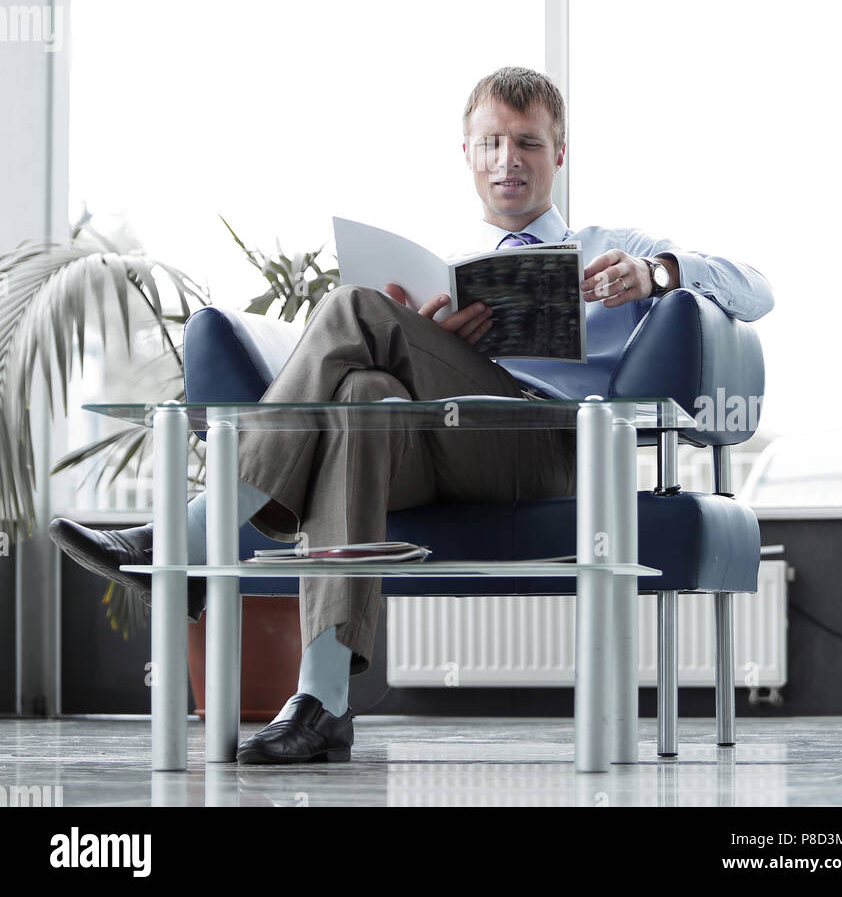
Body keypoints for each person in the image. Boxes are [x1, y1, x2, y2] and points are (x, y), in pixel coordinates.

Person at [50, 65, 773, 766]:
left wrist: (657, 274)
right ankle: (322, 702)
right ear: (467, 154)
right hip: (442, 443)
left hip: (547, 445)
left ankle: (192, 536)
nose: (507, 160)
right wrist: (426, 342)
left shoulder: (614, 248)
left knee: (351, 310)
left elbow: (756, 288)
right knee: (363, 393)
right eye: (490, 143)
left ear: (559, 152)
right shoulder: (449, 265)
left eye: (527, 142)